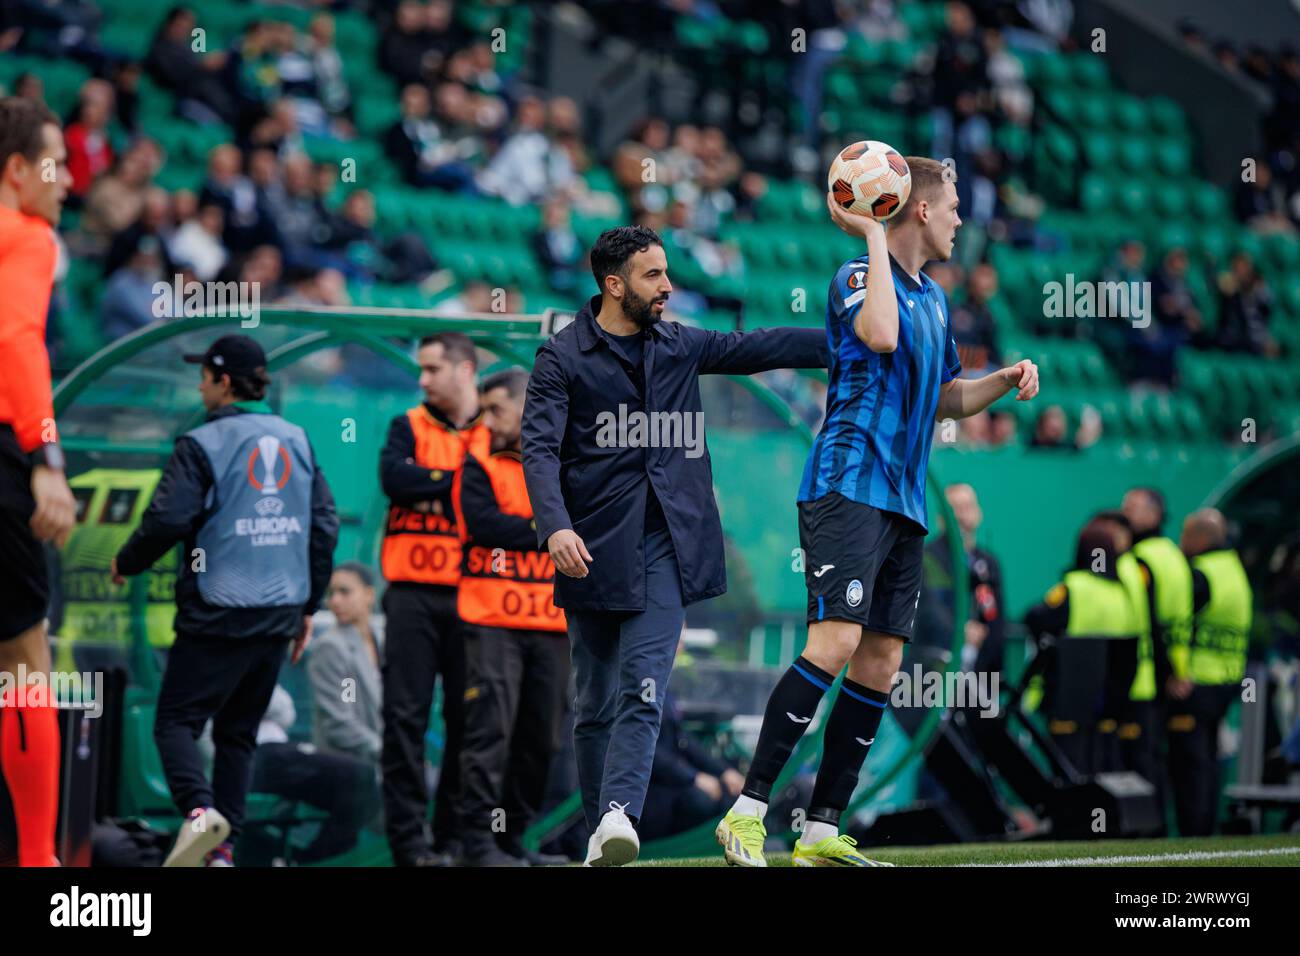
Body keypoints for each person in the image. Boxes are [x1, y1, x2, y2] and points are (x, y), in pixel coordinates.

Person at [718, 157, 1041, 867]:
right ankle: (746, 811)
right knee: (833, 643)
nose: (961, 218)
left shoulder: (933, 298)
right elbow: (880, 338)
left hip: (903, 498)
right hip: (848, 485)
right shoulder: (858, 278)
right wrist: (870, 232)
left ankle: (820, 826)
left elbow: (948, 398)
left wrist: (1004, 379)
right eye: (952, 205)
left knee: (881, 662)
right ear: (919, 210)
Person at [522, 225, 828, 866]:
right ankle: (598, 830)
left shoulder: (680, 342)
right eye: (653, 276)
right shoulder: (561, 359)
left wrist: (850, 343)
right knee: (593, 704)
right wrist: (555, 526)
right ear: (613, 285)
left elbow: (759, 346)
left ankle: (618, 814)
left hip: (667, 545)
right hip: (592, 548)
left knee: (644, 685)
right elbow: (540, 450)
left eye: (667, 273)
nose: (668, 286)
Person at [111, 335, 339, 867]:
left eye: (205, 377)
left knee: (176, 723)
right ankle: (223, 850)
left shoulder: (201, 443)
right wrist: (308, 607)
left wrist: (128, 559)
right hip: (278, 612)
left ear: (223, 381)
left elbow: (168, 518)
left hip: (218, 609)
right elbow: (324, 527)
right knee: (238, 736)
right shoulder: (298, 439)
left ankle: (198, 815)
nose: (199, 386)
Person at [378, 331, 489, 867]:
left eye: (432, 369)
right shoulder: (409, 424)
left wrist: (437, 481)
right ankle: (409, 845)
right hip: (412, 596)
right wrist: (462, 482)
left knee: (470, 725)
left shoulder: (494, 428)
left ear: (464, 369)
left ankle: (450, 839)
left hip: (474, 598)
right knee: (404, 719)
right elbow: (395, 479)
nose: (422, 381)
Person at [0, 96, 77, 868]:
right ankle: (37, 864)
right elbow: (17, 338)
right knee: (25, 660)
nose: (67, 181)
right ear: (18, 169)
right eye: (54, 164)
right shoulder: (27, 235)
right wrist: (46, 458)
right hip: (4, 452)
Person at [453, 369, 570, 867]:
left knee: (540, 736)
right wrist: (549, 528)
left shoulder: (565, 459)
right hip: (490, 619)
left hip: (551, 621)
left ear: (528, 407)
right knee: (489, 730)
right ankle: (476, 843)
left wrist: (532, 528)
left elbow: (580, 522)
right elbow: (483, 526)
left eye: (497, 408)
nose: (486, 420)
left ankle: (513, 840)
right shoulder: (477, 458)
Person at [1022, 517, 1140, 777]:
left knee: (1066, 773)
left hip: (1069, 701)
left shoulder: (1073, 588)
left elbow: (1035, 618)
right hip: (1106, 705)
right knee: (1099, 773)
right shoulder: (1124, 595)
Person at [1167, 508, 1252, 836]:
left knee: (1191, 762)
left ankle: (1194, 832)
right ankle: (1204, 830)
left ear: (1200, 538)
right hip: (1229, 678)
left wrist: (1177, 670)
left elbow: (1179, 625)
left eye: (1186, 534)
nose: (1182, 541)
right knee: (1207, 759)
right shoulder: (1234, 570)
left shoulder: (1201, 574)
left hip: (1196, 681)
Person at [1121, 487, 1193, 806]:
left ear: (1154, 514)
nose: (1125, 515)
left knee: (1141, 756)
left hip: (1147, 672)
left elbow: (1151, 621)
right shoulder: (1174, 554)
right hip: (1174, 668)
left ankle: (1146, 824)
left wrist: (1166, 670)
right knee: (1157, 754)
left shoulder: (1141, 559)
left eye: (1132, 508)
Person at [307, 562, 384, 766]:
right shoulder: (332, 648)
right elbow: (341, 720)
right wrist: (388, 751)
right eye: (331, 593)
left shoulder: (381, 640)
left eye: (344, 592)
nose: (335, 601)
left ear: (369, 594)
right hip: (346, 767)